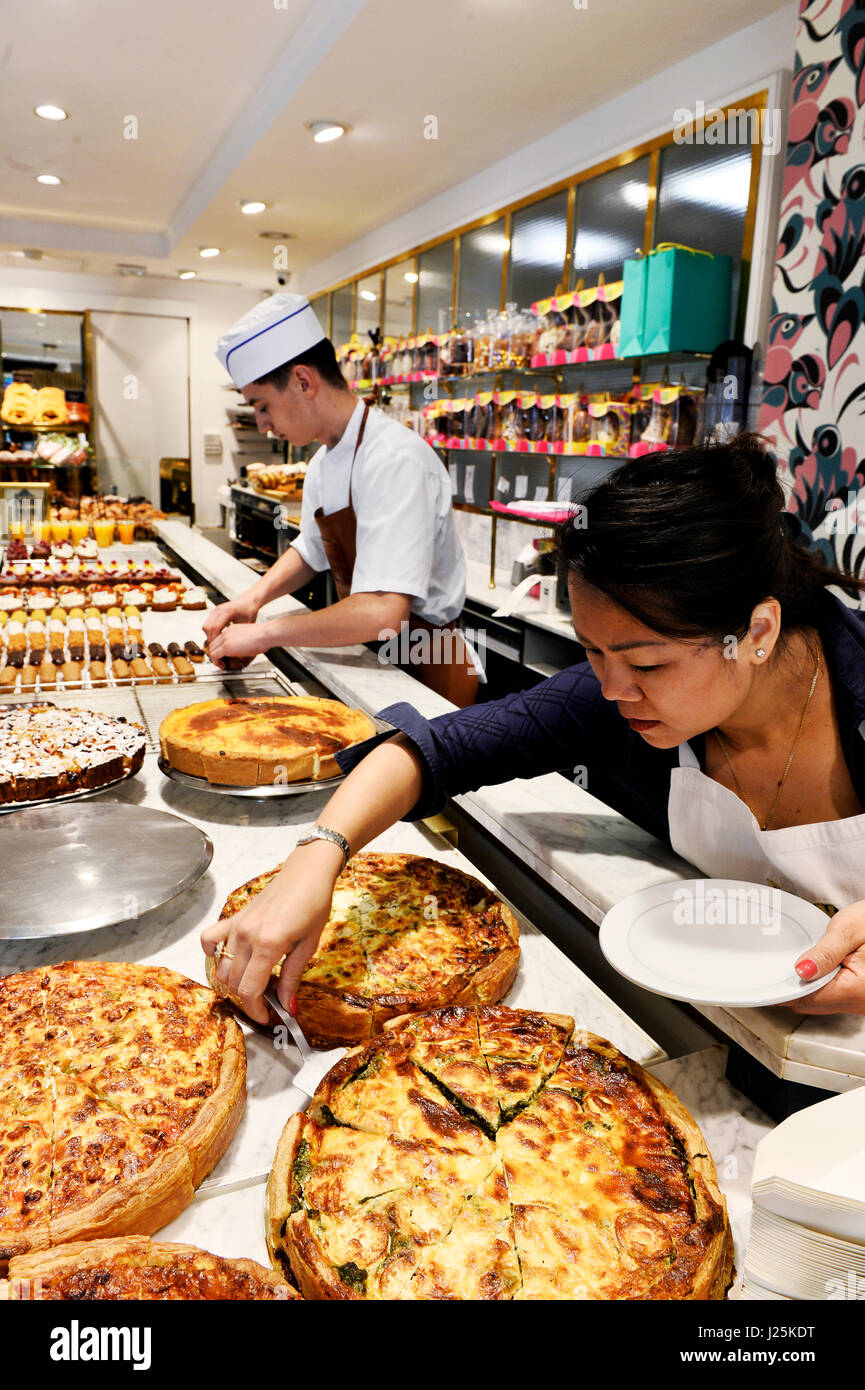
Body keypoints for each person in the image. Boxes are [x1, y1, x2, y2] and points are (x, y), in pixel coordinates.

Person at [202, 435, 865, 1021]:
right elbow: (437, 749)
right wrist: (316, 858)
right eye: (592, 651)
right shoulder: (616, 698)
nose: (611, 689)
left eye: (645, 662)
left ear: (755, 632)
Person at [205, 292, 478, 706]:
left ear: (303, 381)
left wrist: (265, 633)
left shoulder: (395, 459)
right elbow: (311, 549)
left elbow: (383, 613)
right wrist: (251, 600)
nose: (262, 425)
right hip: (370, 654)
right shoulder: (323, 460)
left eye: (263, 407)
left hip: (427, 666)